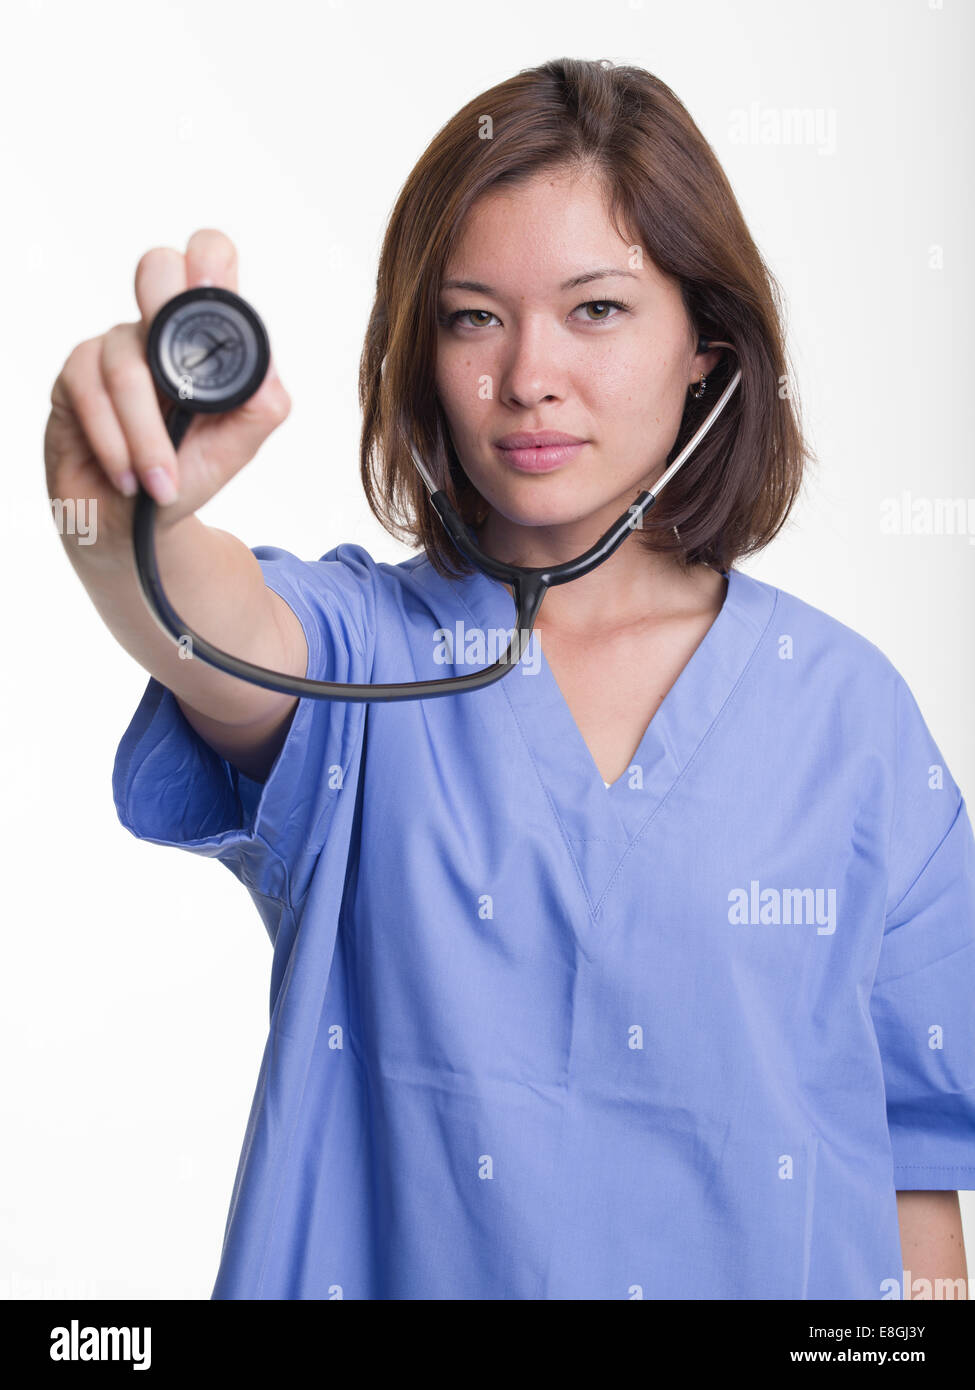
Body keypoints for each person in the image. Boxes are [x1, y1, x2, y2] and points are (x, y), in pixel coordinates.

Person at [47, 57, 975, 1301]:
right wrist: (118, 507)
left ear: (706, 343)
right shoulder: (365, 659)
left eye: (596, 309)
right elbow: (207, 630)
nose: (527, 374)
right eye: (473, 315)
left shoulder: (849, 717)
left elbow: (913, 1168)